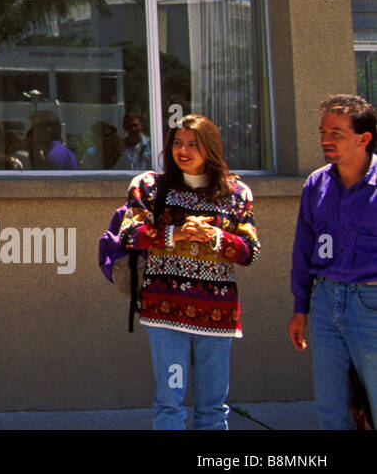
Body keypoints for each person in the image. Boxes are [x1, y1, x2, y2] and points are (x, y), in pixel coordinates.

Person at [118, 114, 259, 429]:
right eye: (177, 143)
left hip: (217, 317)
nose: (183, 150)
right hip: (165, 314)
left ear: (210, 147)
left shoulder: (236, 193)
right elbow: (129, 237)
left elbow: (249, 251)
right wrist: (177, 234)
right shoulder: (150, 186)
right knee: (170, 404)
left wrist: (214, 237)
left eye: (193, 144)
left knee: (212, 409)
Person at [289, 93, 377, 430]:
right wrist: (301, 309)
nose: (326, 140)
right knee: (332, 409)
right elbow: (303, 250)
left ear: (363, 138)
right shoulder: (316, 183)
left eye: (336, 133)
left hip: (370, 302)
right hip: (326, 302)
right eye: (323, 132)